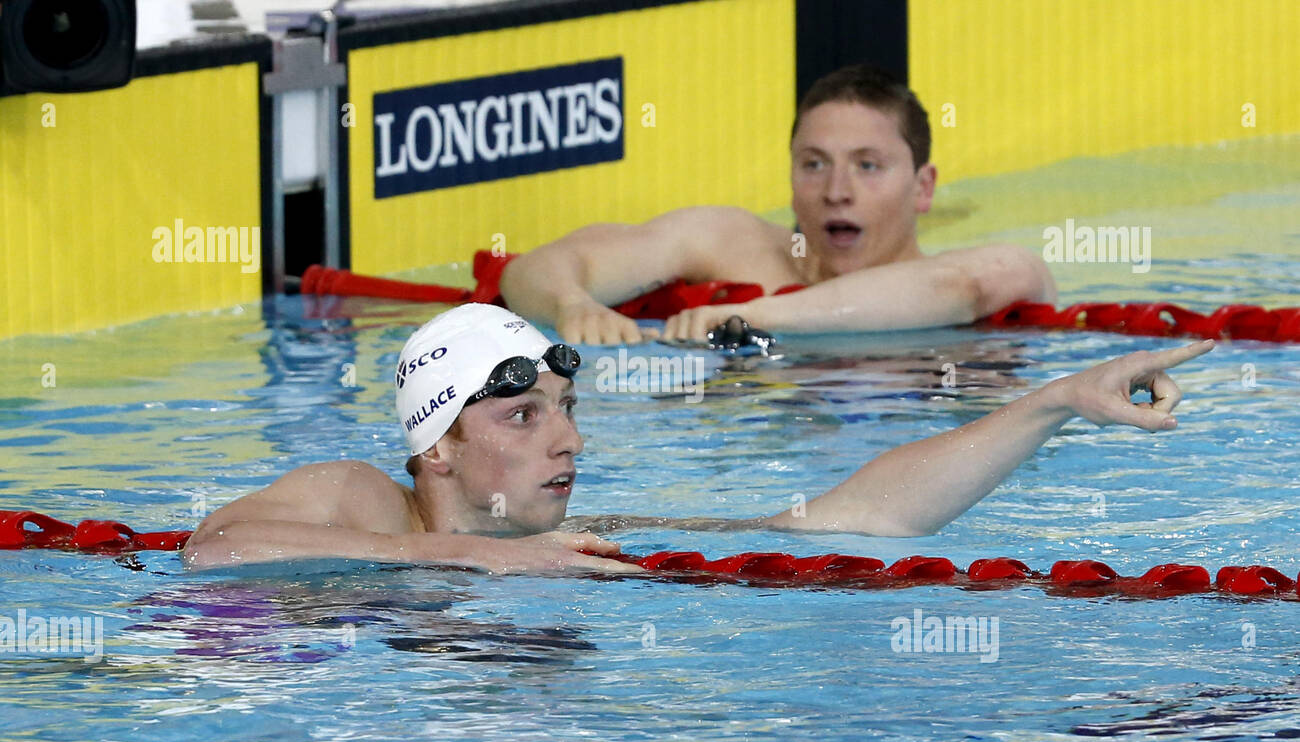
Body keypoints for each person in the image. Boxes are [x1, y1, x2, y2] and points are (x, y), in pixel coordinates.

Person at [182, 304, 1214, 575]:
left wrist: (1055, 401)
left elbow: (849, 520)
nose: (566, 440)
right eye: (521, 415)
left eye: (567, 409)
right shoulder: (367, 497)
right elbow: (215, 549)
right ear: (435, 450)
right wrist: (471, 557)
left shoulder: (583, 537)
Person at [497, 64, 1057, 346]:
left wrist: (752, 319)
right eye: (814, 164)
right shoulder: (732, 244)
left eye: (868, 165)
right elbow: (529, 274)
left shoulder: (983, 276)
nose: (837, 190)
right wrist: (572, 303)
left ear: (924, 186)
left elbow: (969, 288)